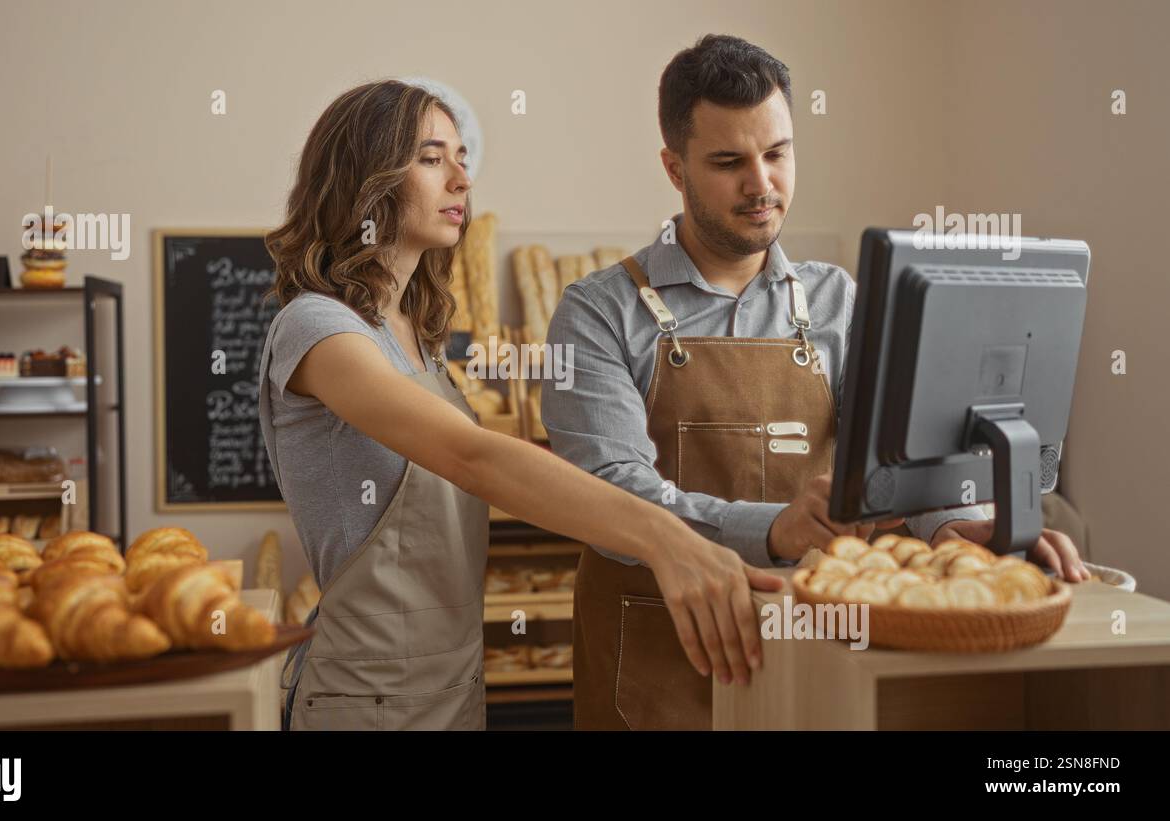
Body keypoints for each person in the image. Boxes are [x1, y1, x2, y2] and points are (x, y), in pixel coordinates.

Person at [542, 34, 1090, 731]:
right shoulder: (597, 311)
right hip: (655, 671)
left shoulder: (843, 301)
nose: (761, 184)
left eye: (777, 153)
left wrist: (962, 527)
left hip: (815, 671)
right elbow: (612, 494)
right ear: (673, 168)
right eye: (728, 162)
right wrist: (775, 528)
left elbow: (897, 463)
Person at [257, 79, 783, 731]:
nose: (460, 179)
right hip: (363, 701)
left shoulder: (418, 339)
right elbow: (468, 454)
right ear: (364, 177)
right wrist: (664, 537)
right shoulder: (316, 328)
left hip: (452, 690)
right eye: (430, 158)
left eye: (461, 157)